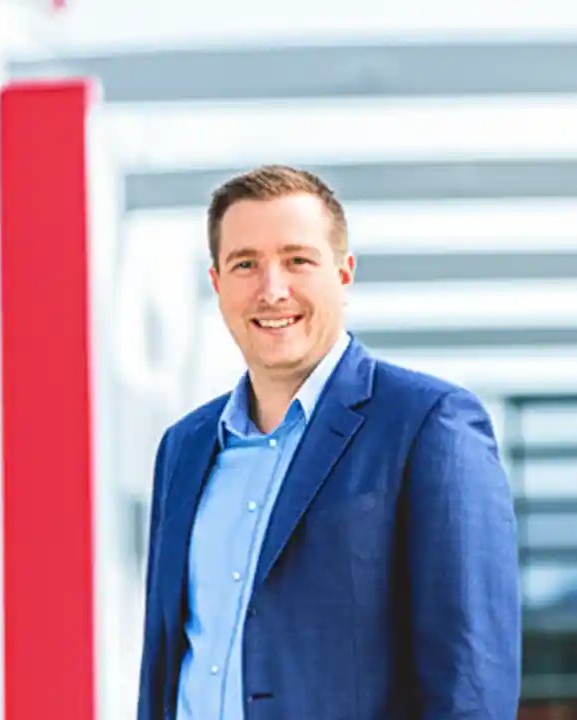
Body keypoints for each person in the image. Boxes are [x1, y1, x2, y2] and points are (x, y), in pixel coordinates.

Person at [136, 165, 520, 719]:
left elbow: (472, 682)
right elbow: (166, 664)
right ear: (218, 283)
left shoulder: (428, 424)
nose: (272, 290)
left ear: (343, 273)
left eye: (298, 260)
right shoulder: (183, 449)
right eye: (246, 264)